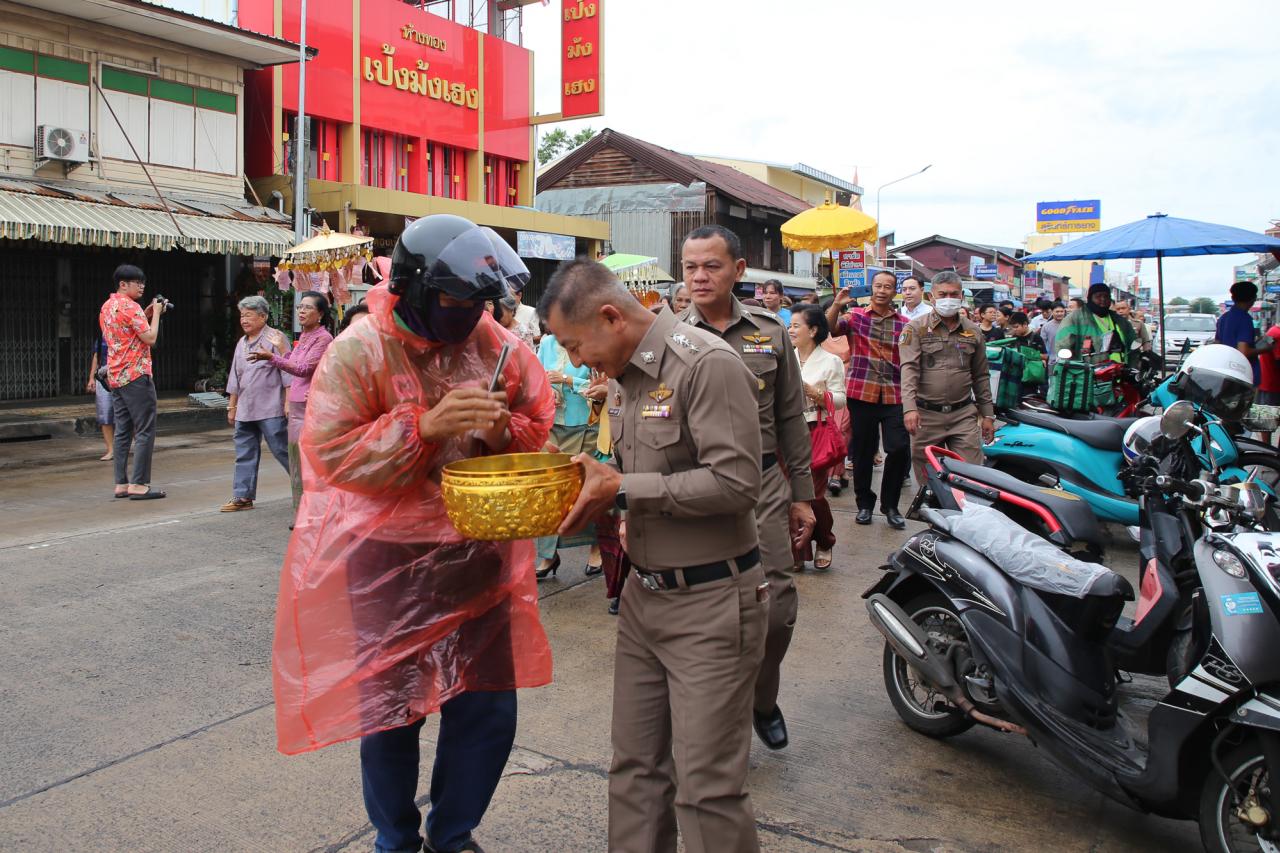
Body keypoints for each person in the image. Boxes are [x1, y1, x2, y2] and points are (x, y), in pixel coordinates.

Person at [273, 215, 554, 853]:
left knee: (486, 707)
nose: (472, 313)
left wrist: (498, 432)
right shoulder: (361, 348)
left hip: (478, 546)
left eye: (481, 301)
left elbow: (535, 422)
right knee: (391, 711)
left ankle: (452, 834)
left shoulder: (496, 344)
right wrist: (421, 428)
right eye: (458, 298)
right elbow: (328, 453)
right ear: (416, 288)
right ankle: (394, 838)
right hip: (385, 557)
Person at [539, 257, 767, 853]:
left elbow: (738, 484)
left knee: (707, 790)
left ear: (611, 317)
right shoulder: (621, 376)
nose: (573, 362)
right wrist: (599, 491)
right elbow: (641, 475)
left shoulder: (707, 365)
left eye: (573, 344)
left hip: (712, 603)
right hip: (645, 597)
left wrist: (624, 489)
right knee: (635, 771)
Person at [678, 226, 814, 752]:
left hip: (762, 482)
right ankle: (716, 717)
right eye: (690, 266)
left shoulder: (770, 331)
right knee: (702, 609)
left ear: (738, 270)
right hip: (692, 486)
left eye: (711, 266)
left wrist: (802, 493)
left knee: (776, 608)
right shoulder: (667, 333)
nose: (698, 276)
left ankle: (762, 697)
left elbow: (790, 416)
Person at [826, 269, 911, 530]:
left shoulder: (905, 323)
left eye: (887, 286)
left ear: (894, 292)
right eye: (878, 286)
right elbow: (831, 328)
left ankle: (891, 505)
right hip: (862, 393)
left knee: (897, 448)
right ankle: (864, 504)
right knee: (863, 451)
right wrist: (836, 305)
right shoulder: (855, 317)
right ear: (871, 289)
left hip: (895, 394)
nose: (882, 290)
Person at [899, 272, 996, 480]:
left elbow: (980, 375)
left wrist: (988, 414)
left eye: (954, 294)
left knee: (973, 477)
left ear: (961, 296)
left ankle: (968, 512)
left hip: (963, 415)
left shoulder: (973, 331)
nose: (948, 299)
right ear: (931, 297)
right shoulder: (915, 329)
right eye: (942, 294)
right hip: (926, 416)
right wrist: (909, 409)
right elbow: (909, 370)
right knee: (929, 482)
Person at [252, 291, 334, 516]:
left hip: (311, 406)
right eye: (300, 307)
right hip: (297, 407)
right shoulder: (305, 336)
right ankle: (301, 512)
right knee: (296, 463)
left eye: (307, 307)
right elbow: (295, 364)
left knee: (310, 462)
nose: (301, 311)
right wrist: (282, 351)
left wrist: (272, 357)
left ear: (320, 314)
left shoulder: (323, 338)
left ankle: (315, 512)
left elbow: (303, 369)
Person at [534, 333, 601, 579]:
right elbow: (536, 380)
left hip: (584, 425)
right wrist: (549, 392)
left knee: (583, 489)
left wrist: (568, 380)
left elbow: (603, 386)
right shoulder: (547, 344)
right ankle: (548, 555)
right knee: (546, 489)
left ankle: (597, 547)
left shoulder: (591, 338)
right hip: (551, 426)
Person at [99, 263, 166, 500]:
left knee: (123, 431)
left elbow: (125, 334)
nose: (142, 286)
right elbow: (150, 338)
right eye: (137, 282)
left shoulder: (107, 307)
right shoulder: (132, 307)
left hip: (116, 377)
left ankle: (121, 483)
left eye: (143, 282)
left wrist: (146, 314)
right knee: (145, 429)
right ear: (123, 284)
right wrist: (155, 314)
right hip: (136, 375)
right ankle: (139, 484)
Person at [222, 295, 291, 512]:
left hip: (271, 408)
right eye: (242, 315)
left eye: (249, 315)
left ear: (263, 316)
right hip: (245, 408)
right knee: (244, 452)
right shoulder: (241, 343)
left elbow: (288, 372)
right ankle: (242, 496)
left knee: (283, 451)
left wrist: (288, 403)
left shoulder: (276, 338)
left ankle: (309, 488)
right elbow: (235, 378)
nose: (244, 320)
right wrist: (232, 406)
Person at [789, 307, 845, 571]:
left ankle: (824, 539)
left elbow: (841, 399)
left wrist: (816, 394)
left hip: (816, 432)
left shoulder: (830, 361)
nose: (791, 330)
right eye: (790, 325)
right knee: (788, 495)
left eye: (796, 325)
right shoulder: (784, 357)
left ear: (812, 330)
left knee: (813, 494)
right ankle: (797, 552)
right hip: (786, 434)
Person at [1055, 283, 1136, 365]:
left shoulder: (1121, 321)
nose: (1103, 299)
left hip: (1120, 373)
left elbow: (1133, 348)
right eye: (1098, 296)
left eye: (1106, 296)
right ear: (1090, 298)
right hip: (1087, 375)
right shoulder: (1074, 319)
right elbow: (1062, 349)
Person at [1216, 281, 1264, 386]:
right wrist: (1266, 348)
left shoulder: (1223, 318)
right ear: (1253, 298)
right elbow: (1243, 351)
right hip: (1243, 376)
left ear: (1233, 298)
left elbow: (1218, 344)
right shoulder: (1244, 319)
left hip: (1226, 373)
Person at [85, 333, 114, 461]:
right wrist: (91, 378)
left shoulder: (126, 331)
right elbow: (96, 357)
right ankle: (111, 450)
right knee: (105, 414)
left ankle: (141, 448)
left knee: (130, 414)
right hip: (103, 376)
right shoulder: (101, 337)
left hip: (124, 374)